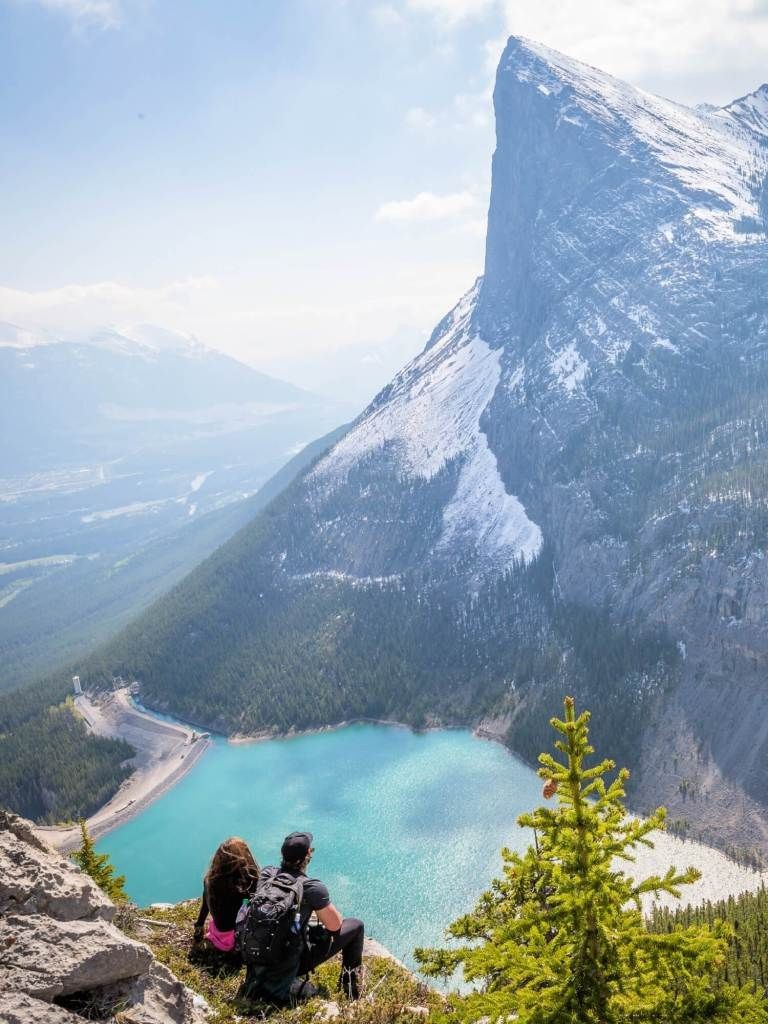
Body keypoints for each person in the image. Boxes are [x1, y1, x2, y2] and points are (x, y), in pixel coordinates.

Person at [242, 830, 365, 1005]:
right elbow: (335, 926)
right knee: (356, 926)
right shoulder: (312, 887)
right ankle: (349, 988)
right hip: (290, 961)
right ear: (308, 855)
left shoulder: (267, 874)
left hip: (258, 955)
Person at [193, 837, 260, 957]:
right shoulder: (249, 883)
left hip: (219, 936)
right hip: (239, 938)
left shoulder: (209, 880)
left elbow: (205, 905)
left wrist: (199, 925)